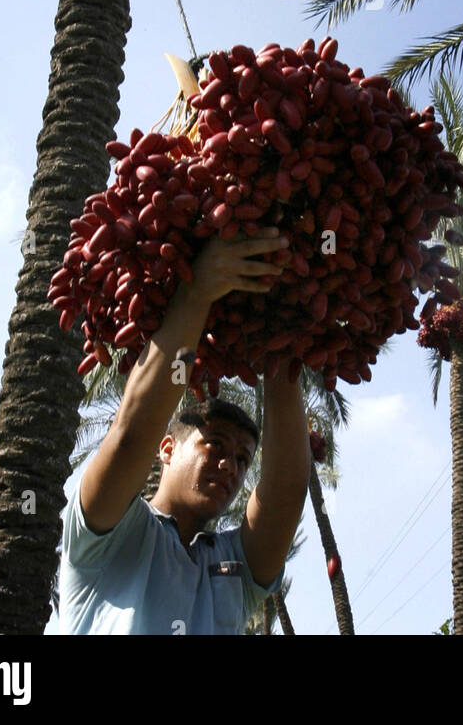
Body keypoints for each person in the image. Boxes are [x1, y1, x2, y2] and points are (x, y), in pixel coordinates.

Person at [58, 226, 309, 635]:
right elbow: (129, 435)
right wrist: (198, 290)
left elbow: (285, 490)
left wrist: (280, 337)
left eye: (244, 459)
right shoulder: (107, 534)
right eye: (215, 446)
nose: (231, 465)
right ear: (168, 448)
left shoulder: (235, 566)